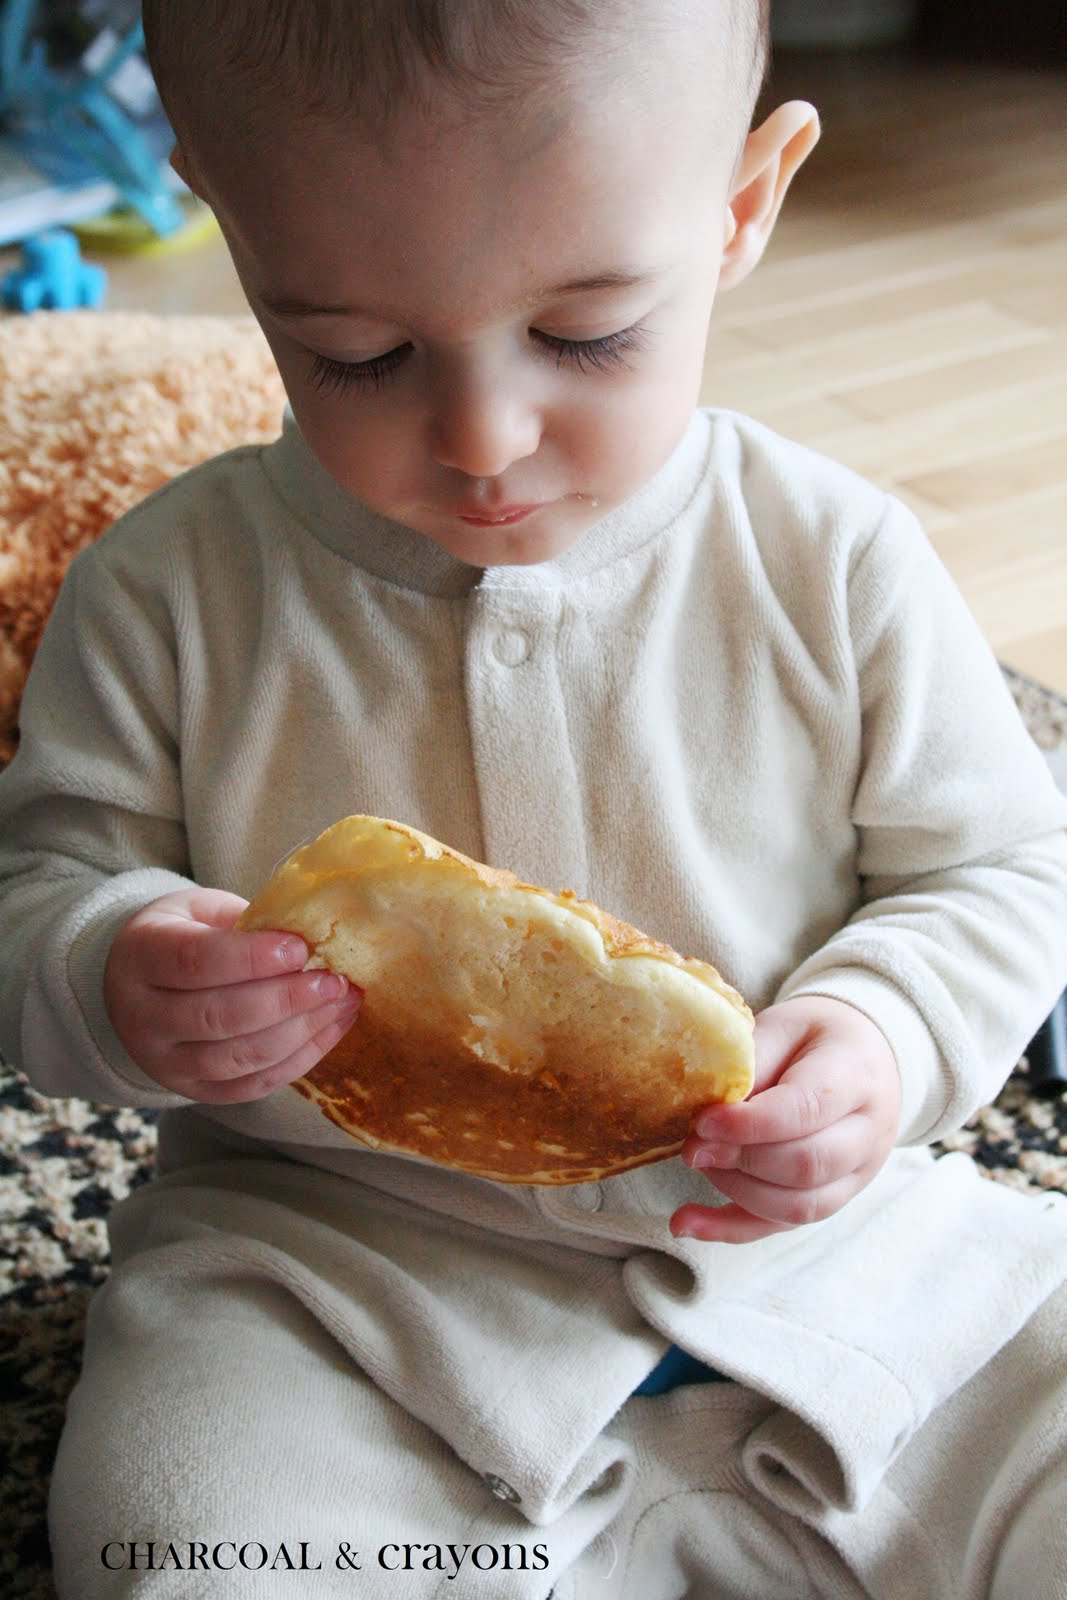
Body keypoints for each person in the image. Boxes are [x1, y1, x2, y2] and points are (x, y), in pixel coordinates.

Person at [2, 1, 1066, 1594]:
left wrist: (886, 1038)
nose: (484, 438)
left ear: (742, 207)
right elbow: (35, 894)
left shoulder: (830, 560)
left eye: (589, 333)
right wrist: (113, 963)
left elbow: (999, 870)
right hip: (333, 1280)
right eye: (357, 352)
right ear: (222, 215)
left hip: (818, 1250)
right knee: (175, 1528)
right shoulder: (167, 593)